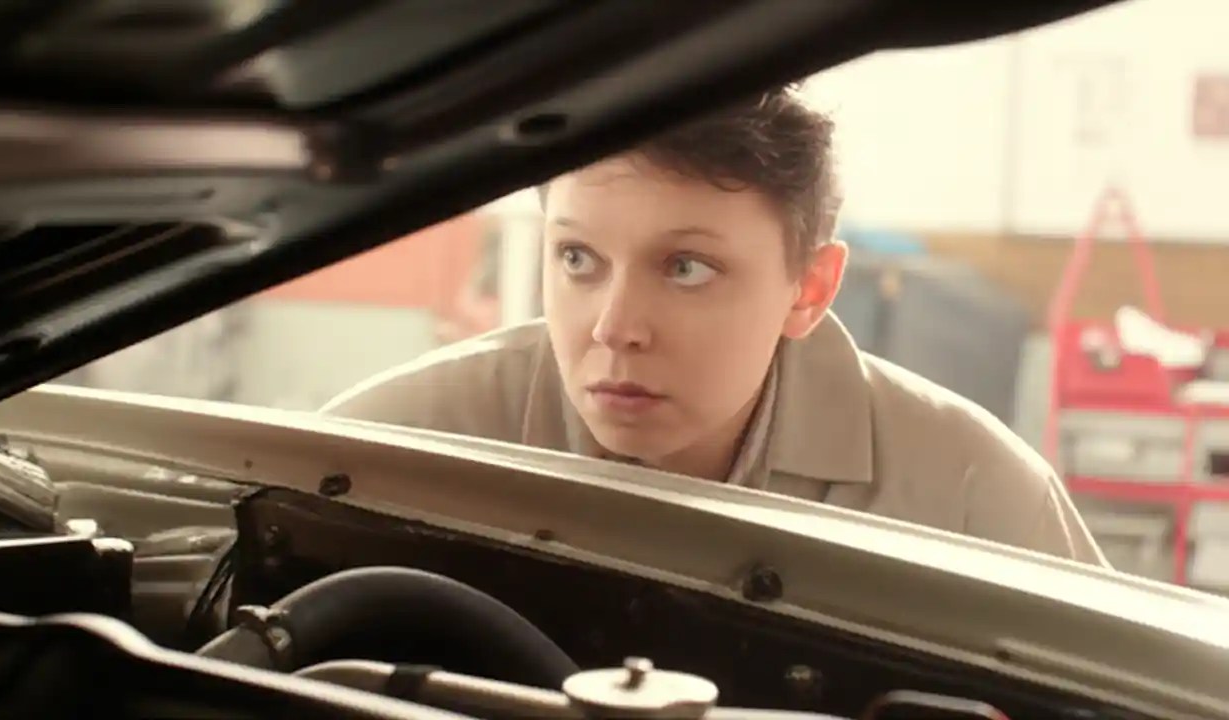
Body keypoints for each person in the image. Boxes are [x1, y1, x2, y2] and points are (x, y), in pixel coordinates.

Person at [320, 85, 1108, 567]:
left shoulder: (973, 496)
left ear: (810, 288)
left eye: (686, 268)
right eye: (578, 258)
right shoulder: (394, 447)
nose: (615, 329)